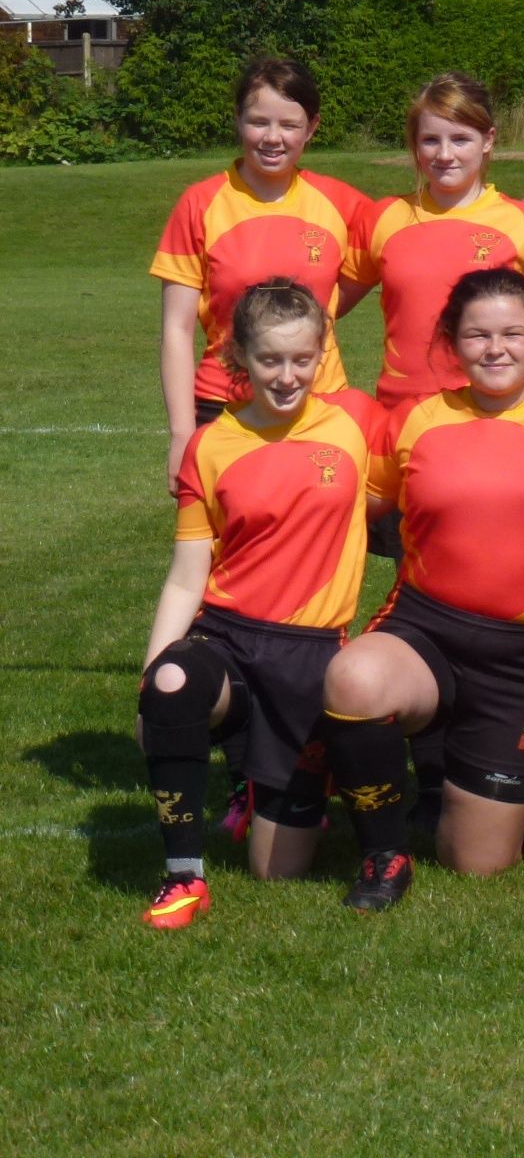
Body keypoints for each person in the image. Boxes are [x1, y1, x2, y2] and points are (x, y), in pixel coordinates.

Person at [319, 269, 524, 912]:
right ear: (452, 344)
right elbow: (354, 510)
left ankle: (441, 762)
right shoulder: (417, 420)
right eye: (477, 334)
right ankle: (383, 851)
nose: (495, 348)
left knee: (479, 864)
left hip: (521, 657)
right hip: (424, 630)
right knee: (354, 678)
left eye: (513, 332)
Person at [136, 279, 382, 927]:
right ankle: (183, 877)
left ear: (323, 352)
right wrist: (152, 674)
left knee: (278, 870)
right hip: (231, 639)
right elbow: (188, 577)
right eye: (269, 359)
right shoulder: (211, 447)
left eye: (302, 358)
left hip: (312, 656)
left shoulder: (357, 420)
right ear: (237, 357)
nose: (287, 374)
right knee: (170, 683)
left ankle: (271, 785)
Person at [151, 57, 370, 494]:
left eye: (289, 125)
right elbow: (176, 330)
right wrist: (182, 434)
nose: (273, 138)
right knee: (225, 555)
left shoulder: (341, 203)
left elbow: (419, 234)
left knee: (315, 549)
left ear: (311, 128)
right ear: (238, 121)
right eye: (258, 122)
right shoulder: (200, 204)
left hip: (320, 407)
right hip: (225, 408)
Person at [342, 71, 524, 409]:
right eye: (430, 140)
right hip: (401, 414)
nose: (444, 154)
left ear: (488, 140)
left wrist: (521, 329)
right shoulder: (383, 217)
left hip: (494, 414)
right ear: (414, 143)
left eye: (460, 139)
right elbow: (325, 306)